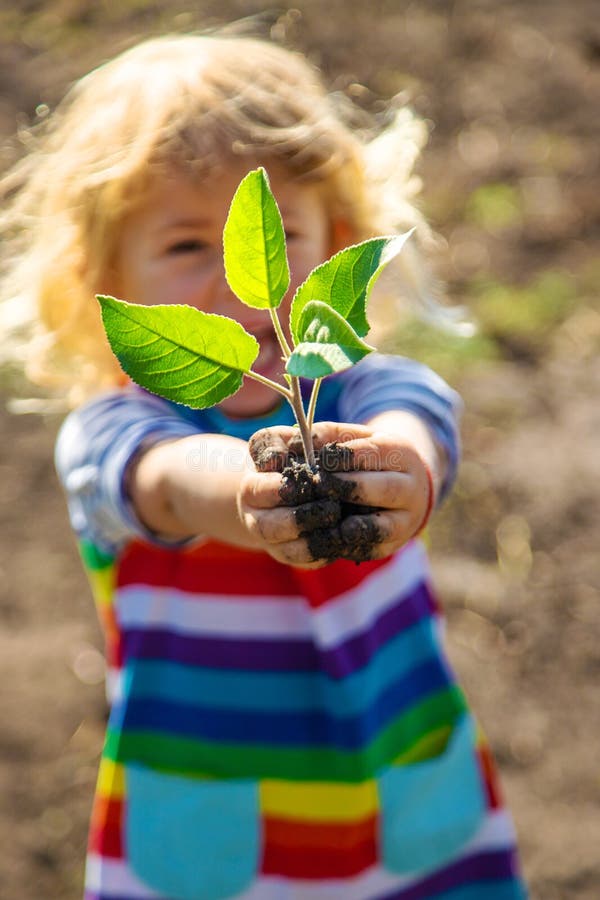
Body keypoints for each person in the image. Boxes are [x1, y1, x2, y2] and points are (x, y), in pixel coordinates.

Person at [0, 31, 527, 900]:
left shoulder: (370, 394)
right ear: (101, 280)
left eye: (278, 238)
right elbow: (166, 479)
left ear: (341, 243)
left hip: (399, 797)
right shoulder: (111, 431)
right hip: (218, 843)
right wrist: (252, 494)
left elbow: (418, 425)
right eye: (183, 248)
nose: (245, 292)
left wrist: (400, 471)